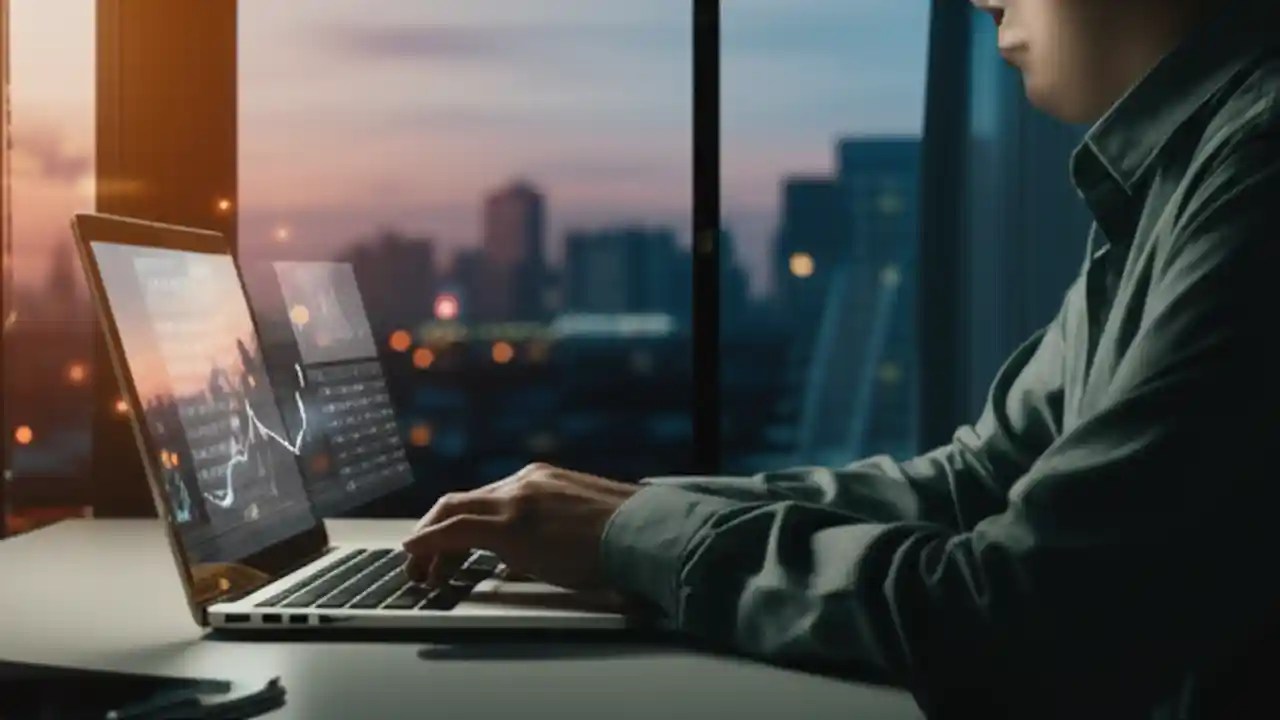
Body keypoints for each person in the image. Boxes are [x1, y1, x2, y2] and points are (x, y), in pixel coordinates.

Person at [402, 0, 1280, 716]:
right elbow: (973, 487)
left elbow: (1024, 616)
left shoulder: (1259, 175)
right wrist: (621, 517)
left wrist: (632, 534)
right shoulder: (1179, 177)